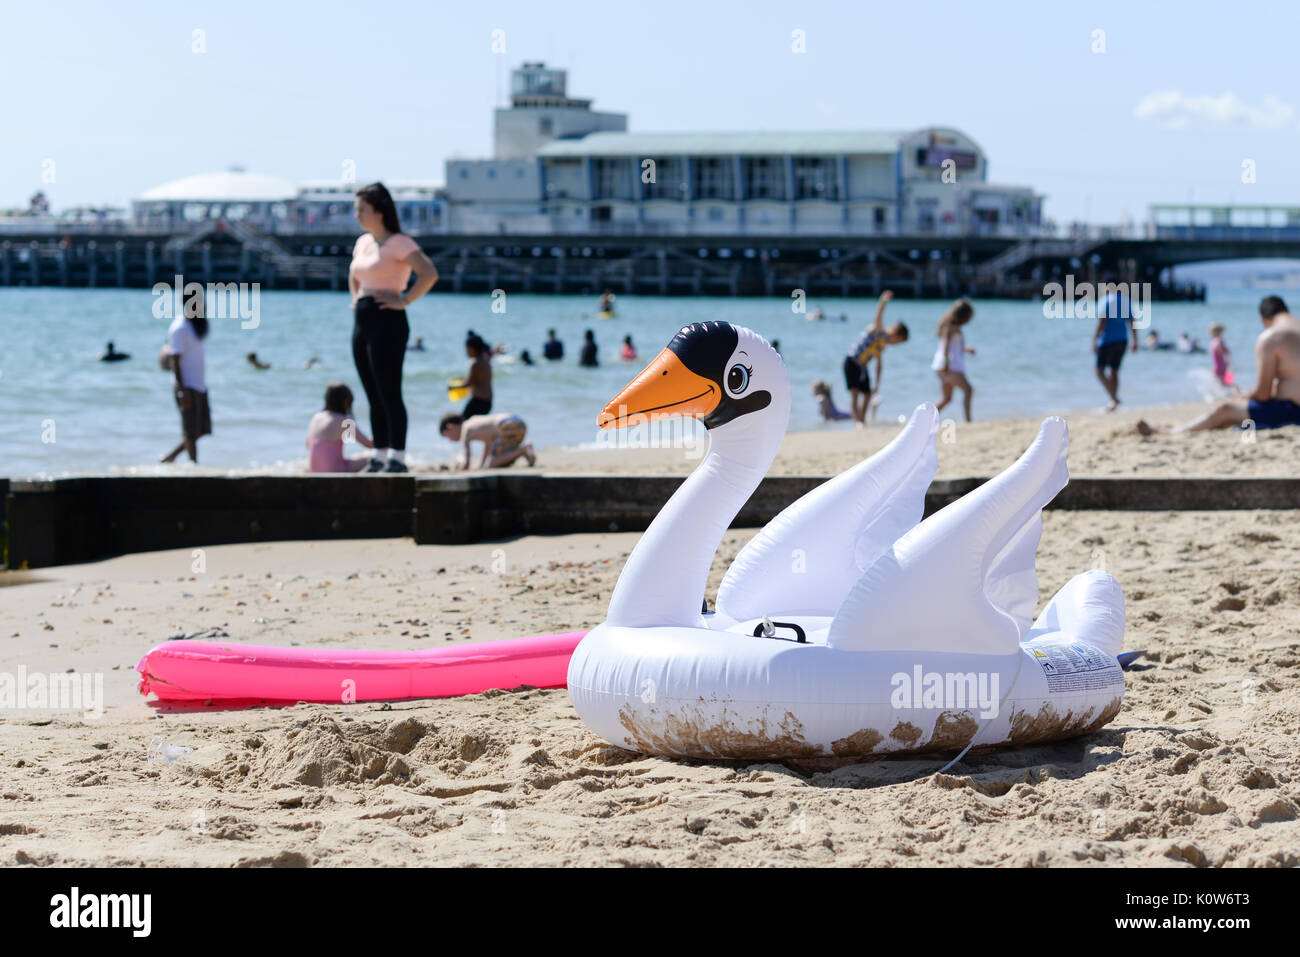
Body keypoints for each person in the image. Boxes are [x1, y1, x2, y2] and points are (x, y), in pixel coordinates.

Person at [349, 182, 439, 473]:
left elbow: (429, 273)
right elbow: (354, 274)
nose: (357, 215)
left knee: (389, 391)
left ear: (379, 210)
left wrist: (405, 300)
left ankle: (397, 458)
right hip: (362, 322)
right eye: (356, 210)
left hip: (388, 321)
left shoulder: (400, 242)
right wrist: (356, 299)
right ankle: (379, 455)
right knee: (372, 392)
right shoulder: (363, 242)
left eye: (362, 209)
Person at [1137, 296, 1300, 434]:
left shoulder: (1271, 337)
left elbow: (1263, 394)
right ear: (1286, 311)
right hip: (1290, 406)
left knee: (1225, 410)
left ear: (1263, 320)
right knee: (1231, 416)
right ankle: (1181, 428)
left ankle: (1169, 433)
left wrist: (1245, 395)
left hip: (1291, 410)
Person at [843, 290, 908, 425]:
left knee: (867, 394)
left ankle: (861, 419)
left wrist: (876, 384)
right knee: (854, 393)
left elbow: (879, 364)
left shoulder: (882, 344)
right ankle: (857, 422)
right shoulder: (879, 332)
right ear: (895, 334)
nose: (896, 345)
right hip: (852, 361)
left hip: (862, 366)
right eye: (899, 342)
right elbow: (878, 316)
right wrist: (883, 301)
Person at [160, 313, 210, 464]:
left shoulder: (194, 325)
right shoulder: (179, 328)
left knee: (203, 429)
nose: (204, 306)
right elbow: (174, 360)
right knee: (190, 431)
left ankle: (170, 457)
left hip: (199, 384)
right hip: (186, 387)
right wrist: (182, 390)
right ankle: (194, 467)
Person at [306, 382, 374, 472]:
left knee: (356, 456)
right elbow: (368, 444)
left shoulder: (317, 417)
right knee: (371, 456)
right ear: (346, 402)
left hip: (315, 469)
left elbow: (307, 444)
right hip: (335, 469)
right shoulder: (344, 421)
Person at [1092, 288, 1139, 411]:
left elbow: (1102, 322)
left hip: (1107, 340)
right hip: (1122, 340)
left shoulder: (1107, 300)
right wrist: (1135, 340)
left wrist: (1095, 340)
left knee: (1099, 371)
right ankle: (1113, 400)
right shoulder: (1126, 301)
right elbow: (1132, 322)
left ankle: (1113, 398)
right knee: (1114, 371)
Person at [932, 298, 977, 422]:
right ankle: (968, 421)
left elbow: (953, 346)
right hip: (949, 366)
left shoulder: (950, 326)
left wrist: (966, 349)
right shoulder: (950, 327)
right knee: (968, 390)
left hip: (942, 365)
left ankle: (926, 420)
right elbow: (946, 344)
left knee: (946, 399)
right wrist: (946, 364)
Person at [440, 412, 536, 469]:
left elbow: (466, 458)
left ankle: (522, 450)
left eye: (448, 436)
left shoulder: (466, 428)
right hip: (517, 422)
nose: (451, 440)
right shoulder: (474, 421)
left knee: (492, 464)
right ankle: (524, 451)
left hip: (506, 425)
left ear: (451, 427)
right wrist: (482, 465)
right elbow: (488, 446)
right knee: (497, 460)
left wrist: (463, 466)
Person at [461, 333, 493, 417]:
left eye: (467, 348)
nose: (466, 351)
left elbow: (468, 383)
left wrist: (453, 387)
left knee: (464, 423)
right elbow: (477, 379)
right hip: (488, 401)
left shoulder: (475, 363)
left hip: (478, 401)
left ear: (472, 349)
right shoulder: (486, 360)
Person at [1209, 323, 1235, 388]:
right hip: (1219, 365)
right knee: (1223, 383)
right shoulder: (1216, 341)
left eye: (1211, 332)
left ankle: (1236, 392)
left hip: (1220, 366)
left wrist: (1228, 364)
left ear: (1216, 332)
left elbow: (1225, 352)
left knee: (1221, 383)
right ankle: (1235, 392)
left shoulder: (1219, 341)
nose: (1209, 333)